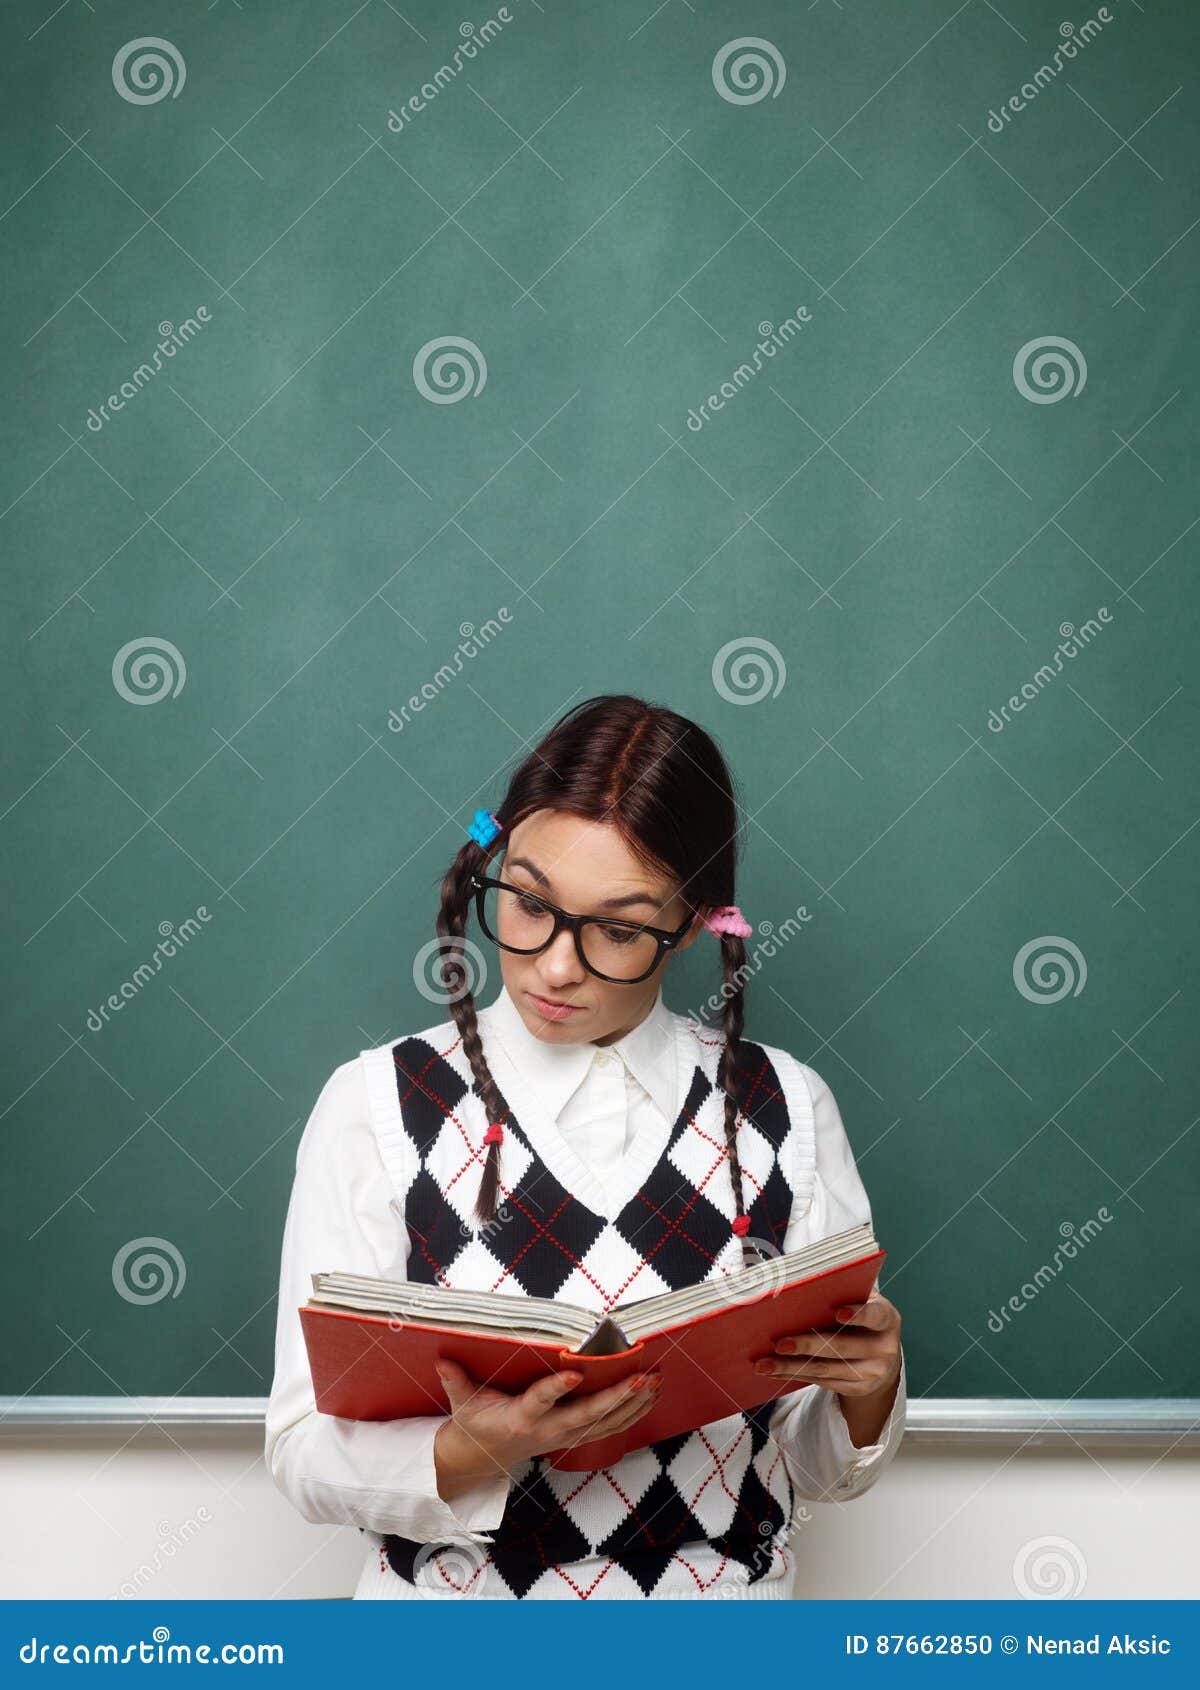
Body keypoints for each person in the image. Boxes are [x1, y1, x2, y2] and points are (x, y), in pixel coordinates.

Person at [265, 693, 905, 1599]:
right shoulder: (379, 1107)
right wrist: (474, 1448)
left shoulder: (783, 1108)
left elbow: (818, 1470)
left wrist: (868, 1391)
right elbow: (301, 1451)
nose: (555, 965)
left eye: (616, 928)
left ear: (690, 923)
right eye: (527, 903)